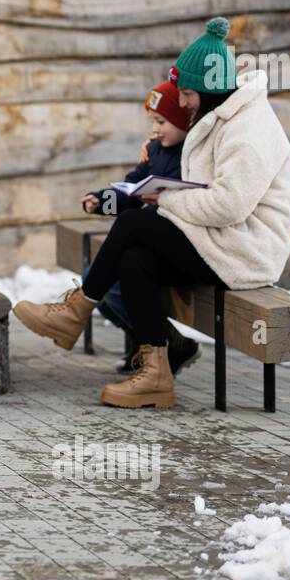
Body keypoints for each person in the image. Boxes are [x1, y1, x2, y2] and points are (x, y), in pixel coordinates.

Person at [14, 17, 290, 409]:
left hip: (245, 253)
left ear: (209, 90)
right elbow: (200, 183)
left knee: (134, 223)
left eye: (186, 94)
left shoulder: (249, 132)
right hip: (218, 240)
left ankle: (76, 311)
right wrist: (159, 161)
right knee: (134, 259)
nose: (181, 103)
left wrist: (163, 199)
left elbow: (229, 205)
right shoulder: (219, 115)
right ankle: (155, 375)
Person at [80, 74, 198, 374]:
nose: (155, 129)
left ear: (183, 120)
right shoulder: (156, 151)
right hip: (145, 237)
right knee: (95, 279)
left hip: (171, 246)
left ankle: (165, 345)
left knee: (113, 285)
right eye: (153, 122)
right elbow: (132, 188)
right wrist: (101, 201)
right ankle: (156, 345)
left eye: (161, 121)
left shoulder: (190, 157)